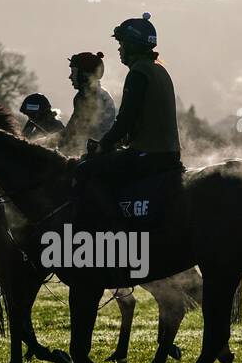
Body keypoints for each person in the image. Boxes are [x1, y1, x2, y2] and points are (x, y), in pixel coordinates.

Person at [73, 13, 182, 219]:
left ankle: (114, 230)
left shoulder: (138, 72)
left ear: (132, 45)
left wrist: (102, 145)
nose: (119, 49)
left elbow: (125, 120)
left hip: (148, 155)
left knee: (84, 171)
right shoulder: (160, 70)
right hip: (168, 154)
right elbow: (139, 122)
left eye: (122, 43)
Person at [65, 51, 117, 157]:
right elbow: (70, 130)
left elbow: (77, 131)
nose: (70, 77)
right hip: (87, 151)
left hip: (98, 154)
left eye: (73, 72)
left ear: (84, 74)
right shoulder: (81, 97)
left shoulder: (97, 98)